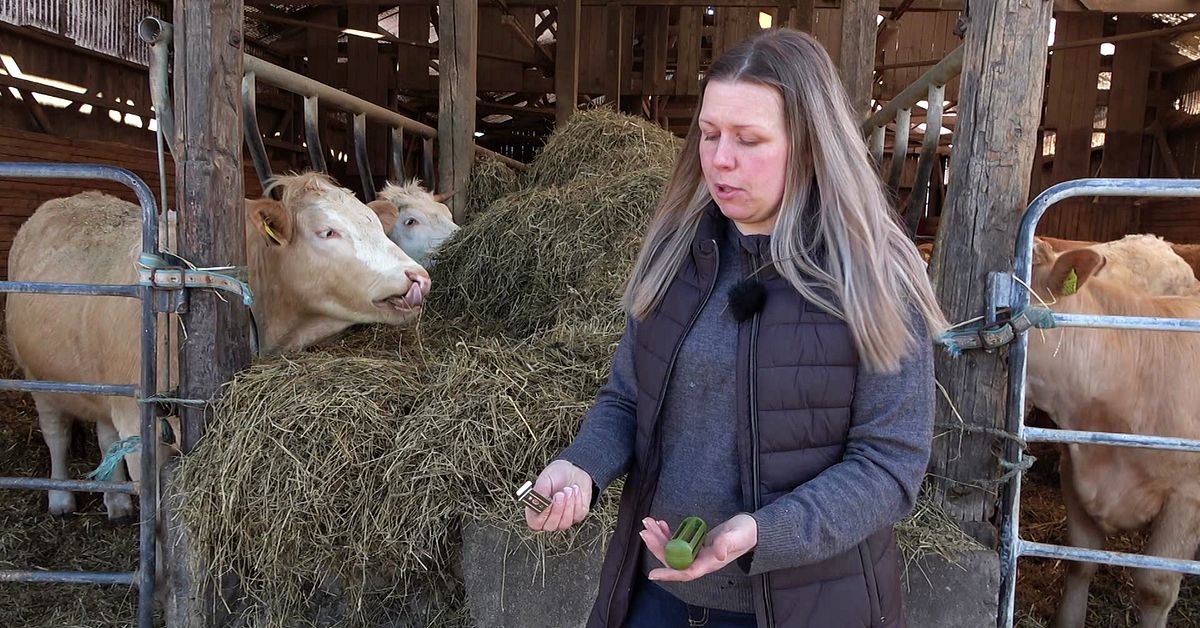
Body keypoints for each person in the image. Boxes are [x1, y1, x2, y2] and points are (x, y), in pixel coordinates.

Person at [524, 28, 947, 628]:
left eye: (749, 140)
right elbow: (627, 399)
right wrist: (581, 468)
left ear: (808, 146)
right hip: (656, 597)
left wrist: (763, 532)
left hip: (807, 608)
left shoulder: (875, 278)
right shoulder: (677, 256)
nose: (720, 159)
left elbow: (889, 464)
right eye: (710, 134)